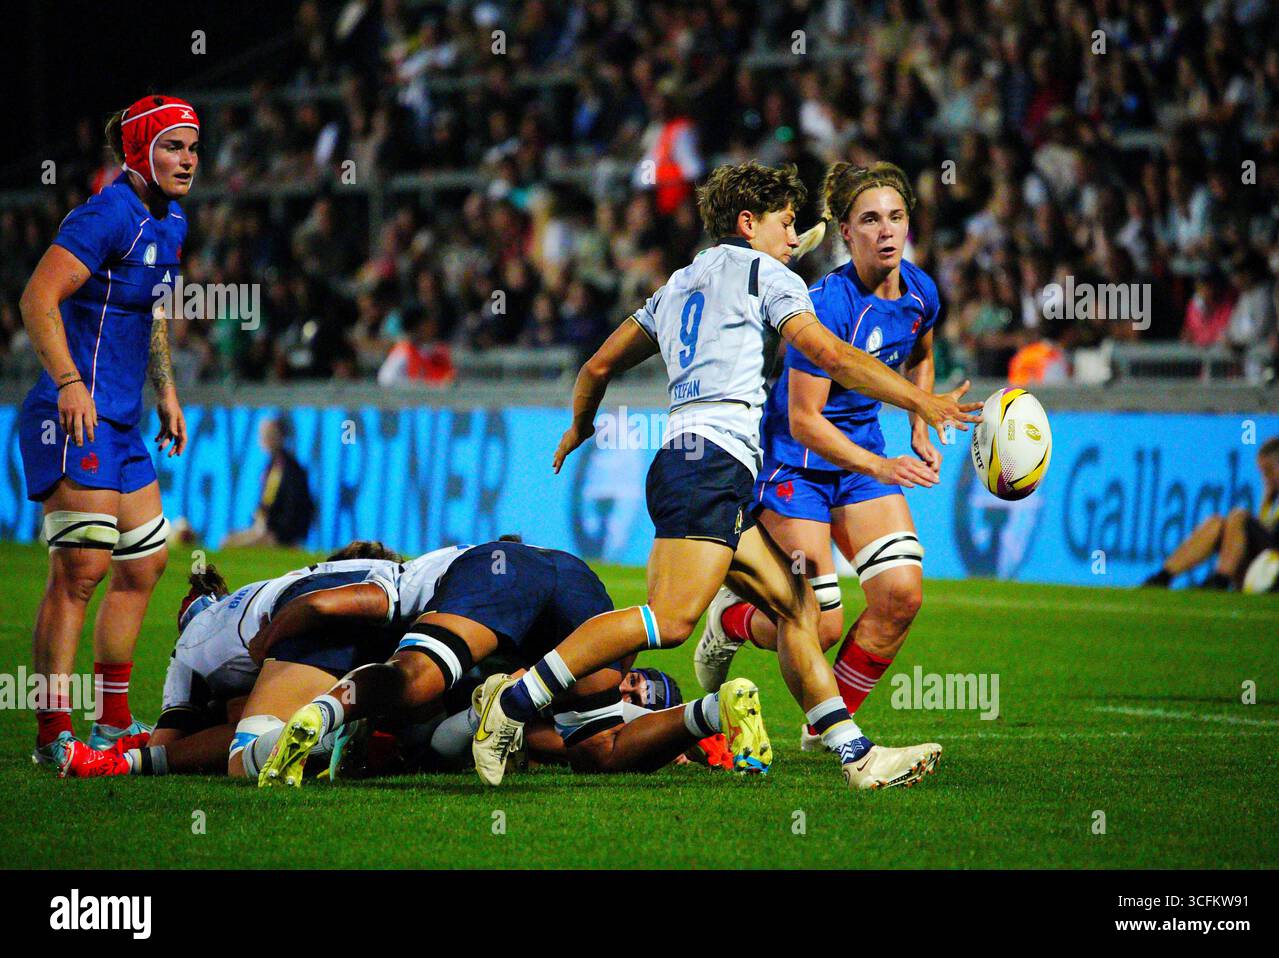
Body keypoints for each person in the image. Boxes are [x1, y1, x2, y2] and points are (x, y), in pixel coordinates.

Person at [471, 161, 981, 792]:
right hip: (710, 466)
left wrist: (580, 427)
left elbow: (598, 366)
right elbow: (831, 355)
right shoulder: (771, 275)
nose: (794, 239)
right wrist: (919, 401)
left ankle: (856, 755)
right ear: (749, 224)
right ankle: (514, 706)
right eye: (786, 225)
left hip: (695, 461)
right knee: (669, 620)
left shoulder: (680, 283)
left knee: (797, 607)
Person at [692, 161, 946, 746]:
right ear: (845, 233)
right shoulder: (820, 306)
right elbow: (805, 422)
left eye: (897, 217)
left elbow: (920, 353)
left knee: (901, 595)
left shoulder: (921, 291)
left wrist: (919, 421)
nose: (886, 231)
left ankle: (822, 724)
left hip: (861, 466)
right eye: (870, 220)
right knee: (819, 621)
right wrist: (883, 465)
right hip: (794, 468)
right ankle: (729, 619)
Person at [255, 539, 771, 788]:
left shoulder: (409, 574)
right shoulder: (526, 557)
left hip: (498, 577)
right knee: (599, 748)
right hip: (580, 581)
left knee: (415, 679)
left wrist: (269, 643)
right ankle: (711, 710)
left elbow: (336, 605)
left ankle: (321, 714)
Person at [18, 95, 198, 766]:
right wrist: (68, 382)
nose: (189, 159)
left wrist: (168, 391)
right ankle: (49, 733)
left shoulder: (172, 221)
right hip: (75, 414)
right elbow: (38, 296)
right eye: (174, 146)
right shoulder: (105, 214)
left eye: (193, 147)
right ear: (141, 150)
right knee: (79, 571)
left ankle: (113, 722)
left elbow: (151, 314)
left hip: (123, 423)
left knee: (145, 562)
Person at [57, 542, 407, 778]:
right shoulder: (273, 582)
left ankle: (331, 740)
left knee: (239, 754)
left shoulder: (187, 652)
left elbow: (165, 748)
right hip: (369, 600)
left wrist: (138, 756)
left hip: (299, 615)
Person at [1143, 436, 1279, 592]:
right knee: (1216, 523)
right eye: (1263, 473)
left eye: (1269, 471)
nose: (1266, 479)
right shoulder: (1278, 496)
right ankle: (1163, 576)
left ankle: (1222, 579)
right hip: (1266, 562)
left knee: (1240, 517)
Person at [220, 415, 315, 549]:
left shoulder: (292, 469)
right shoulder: (272, 466)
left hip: (280, 535)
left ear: (281, 437)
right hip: (265, 529)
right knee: (226, 541)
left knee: (231, 545)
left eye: (270, 434)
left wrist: (280, 533)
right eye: (263, 434)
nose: (264, 438)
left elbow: (296, 508)